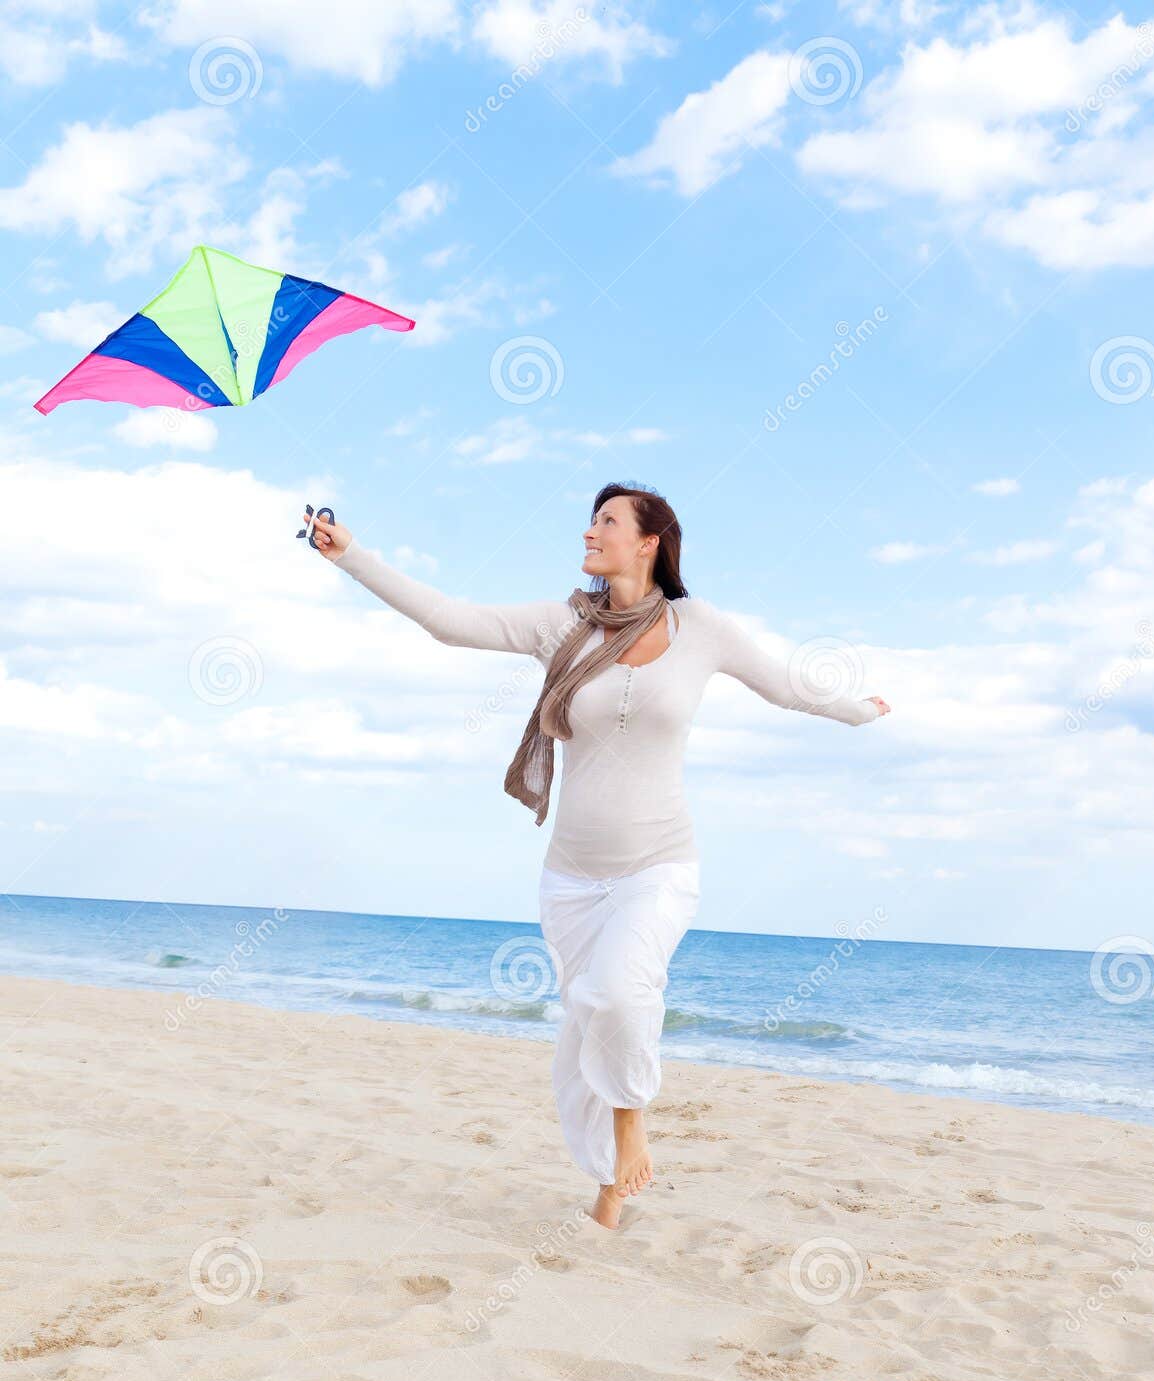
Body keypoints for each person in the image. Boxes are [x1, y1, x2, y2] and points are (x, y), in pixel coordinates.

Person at [308, 483, 890, 1229]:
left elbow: (783, 685)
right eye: (591, 520)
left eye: (607, 521)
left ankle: (629, 1126)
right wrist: (351, 555)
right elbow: (451, 622)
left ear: (649, 541)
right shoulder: (565, 627)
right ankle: (610, 1189)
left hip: (660, 863)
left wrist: (855, 710)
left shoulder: (698, 626)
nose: (590, 531)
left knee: (618, 995)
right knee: (587, 1023)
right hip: (573, 877)